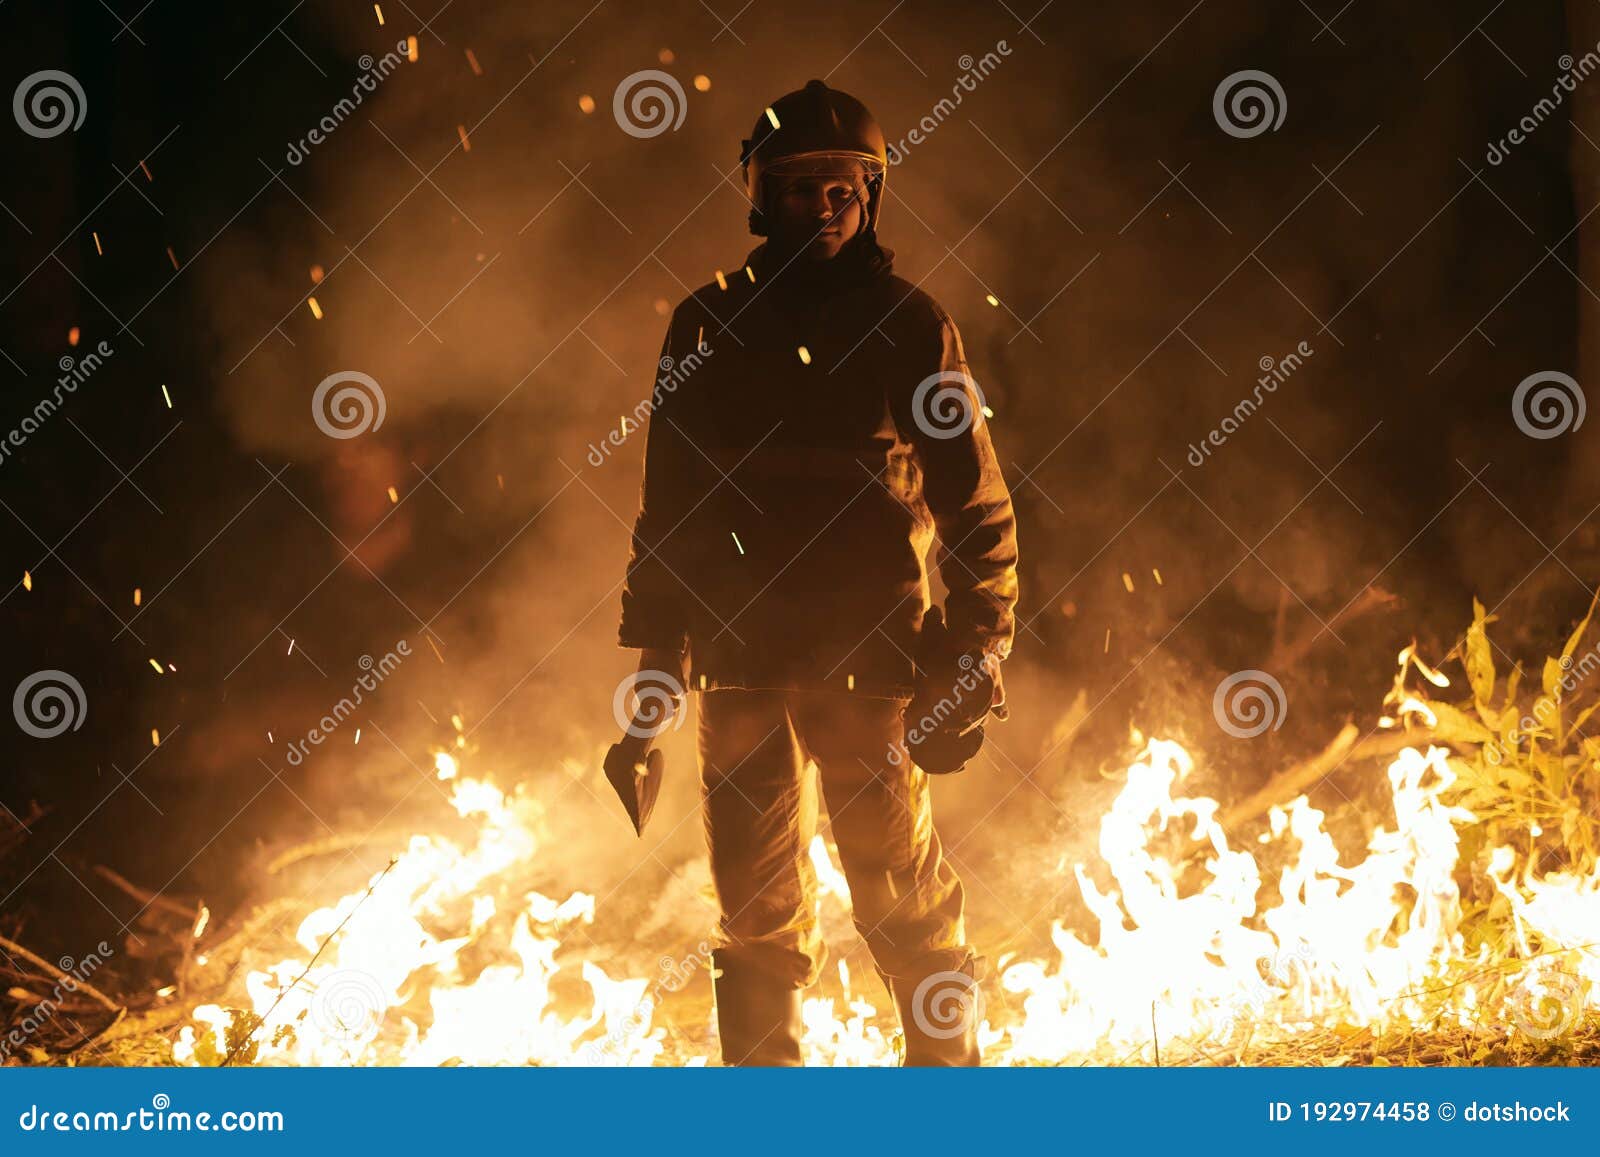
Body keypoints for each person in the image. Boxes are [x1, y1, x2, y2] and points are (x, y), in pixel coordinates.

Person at [615, 79, 1019, 1065]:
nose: (826, 206)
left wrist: (973, 648)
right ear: (760, 196)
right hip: (739, 655)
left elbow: (975, 504)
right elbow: (671, 513)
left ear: (870, 195)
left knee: (901, 898)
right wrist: (648, 696)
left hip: (870, 654)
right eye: (801, 189)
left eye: (845, 187)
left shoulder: (908, 324)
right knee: (754, 911)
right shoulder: (705, 325)